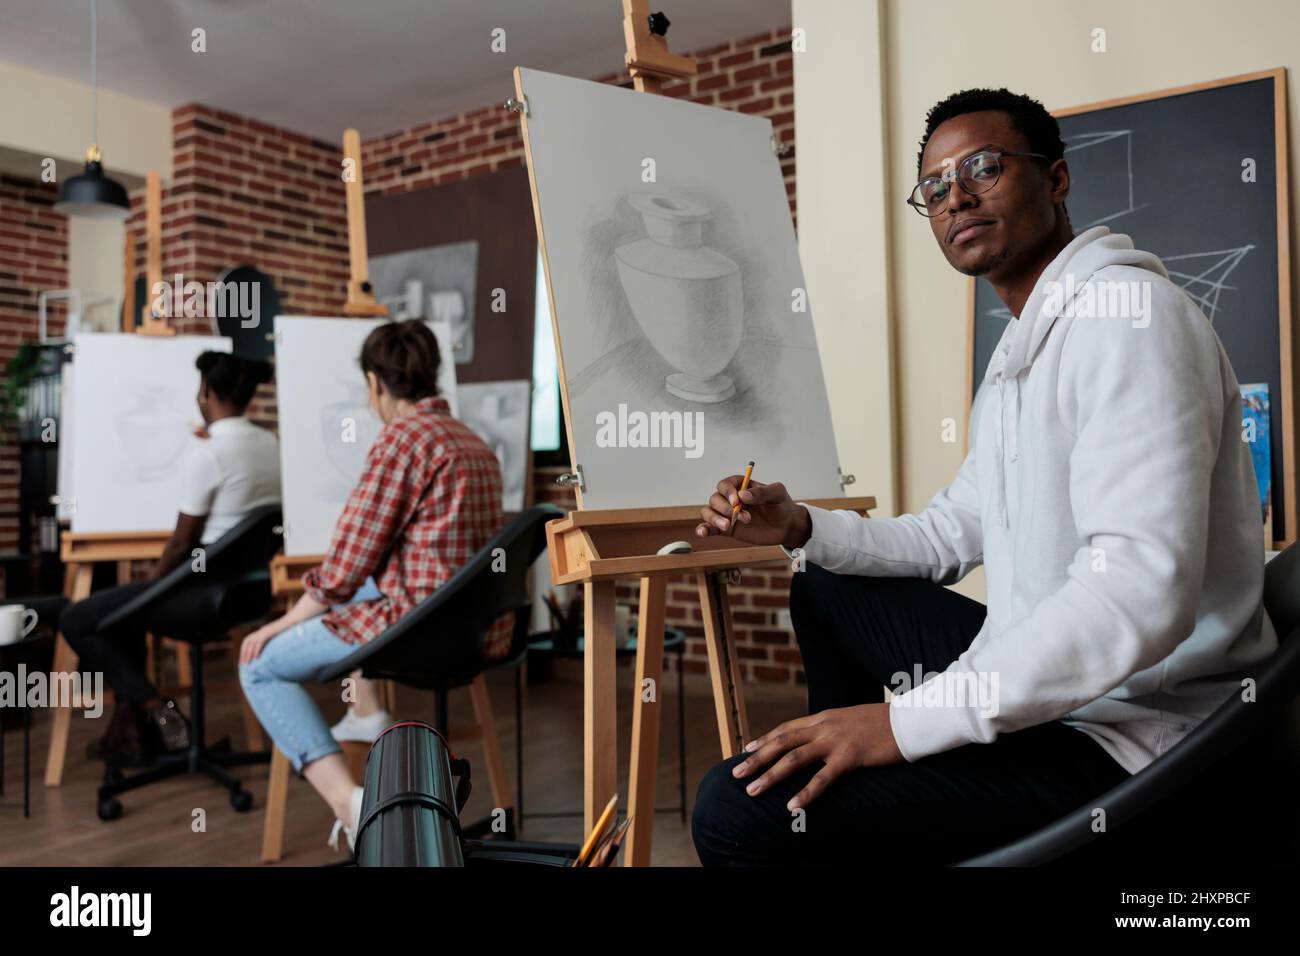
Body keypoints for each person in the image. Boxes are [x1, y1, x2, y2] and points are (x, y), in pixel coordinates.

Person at [690, 88, 1277, 866]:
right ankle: (842, 804)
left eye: (983, 168)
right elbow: (949, 533)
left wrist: (901, 726)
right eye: (934, 186)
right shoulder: (1020, 351)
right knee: (828, 587)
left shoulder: (1131, 320)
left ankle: (841, 808)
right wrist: (801, 526)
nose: (956, 196)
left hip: (1137, 738)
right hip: (1066, 702)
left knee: (736, 810)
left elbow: (1139, 596)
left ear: (1057, 179)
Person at [238, 319, 510, 852]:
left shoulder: (404, 440)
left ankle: (350, 803)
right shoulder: (475, 443)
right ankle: (366, 712)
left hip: (418, 631)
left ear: (376, 383)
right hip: (471, 631)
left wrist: (288, 619)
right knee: (365, 592)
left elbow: (346, 562)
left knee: (258, 665)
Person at [61, 351, 280, 765]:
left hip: (198, 596)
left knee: (77, 619)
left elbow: (181, 545)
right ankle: (139, 733)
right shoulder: (270, 444)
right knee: (125, 617)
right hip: (247, 594)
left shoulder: (209, 453)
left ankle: (155, 710)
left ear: (207, 392)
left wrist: (151, 588)